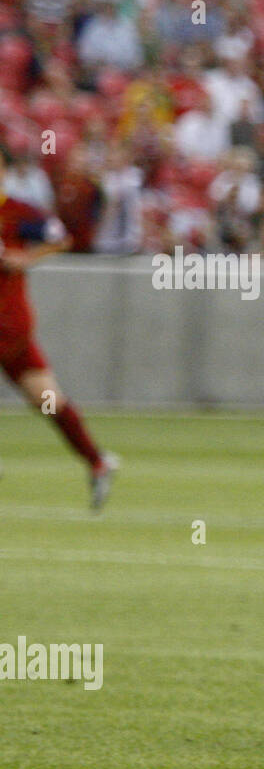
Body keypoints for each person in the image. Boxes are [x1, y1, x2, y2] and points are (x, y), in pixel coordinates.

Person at [0, 143, 118, 508]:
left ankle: (98, 462)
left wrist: (26, 258)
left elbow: (59, 236)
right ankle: (98, 462)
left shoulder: (18, 213)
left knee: (48, 401)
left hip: (11, 330)